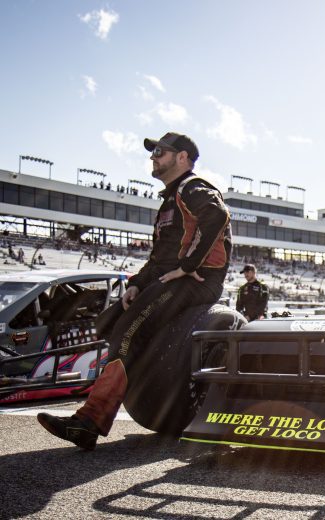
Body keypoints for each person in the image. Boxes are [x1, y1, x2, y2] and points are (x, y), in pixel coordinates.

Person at [37, 132, 232, 449]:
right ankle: (121, 392)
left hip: (195, 283)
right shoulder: (170, 199)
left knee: (129, 330)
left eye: (160, 152)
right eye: (153, 152)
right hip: (170, 279)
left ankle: (90, 420)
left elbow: (218, 215)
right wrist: (137, 284)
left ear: (181, 157)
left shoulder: (193, 187)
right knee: (110, 321)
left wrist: (190, 265)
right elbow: (159, 258)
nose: (153, 157)